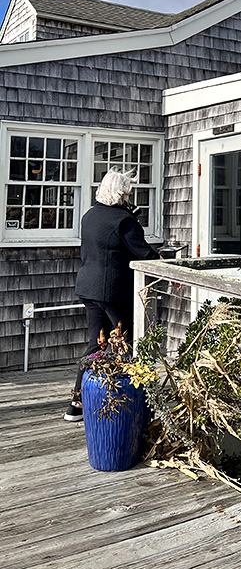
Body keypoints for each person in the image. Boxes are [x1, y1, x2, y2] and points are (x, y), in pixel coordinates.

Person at [64, 168, 159, 421]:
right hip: (114, 291)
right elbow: (143, 252)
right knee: (127, 343)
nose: (130, 198)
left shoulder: (89, 216)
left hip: (89, 288)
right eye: (128, 194)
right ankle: (135, 404)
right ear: (120, 194)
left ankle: (77, 403)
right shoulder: (123, 220)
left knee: (96, 344)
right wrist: (165, 264)